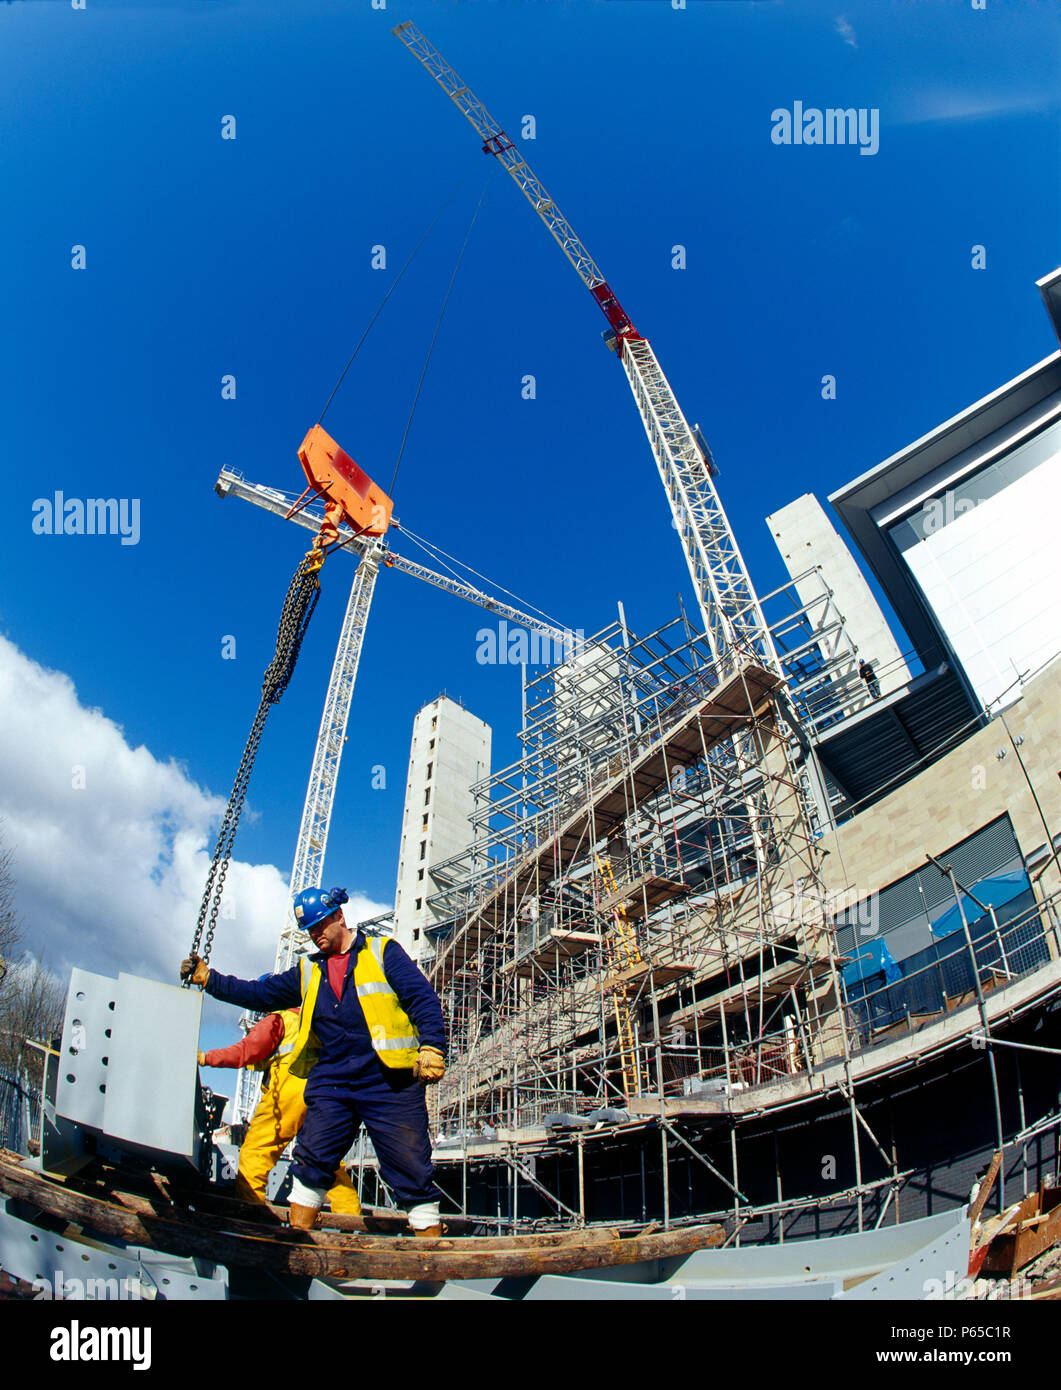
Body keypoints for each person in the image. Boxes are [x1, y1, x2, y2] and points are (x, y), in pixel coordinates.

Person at [181, 886, 447, 1234]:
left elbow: (422, 999)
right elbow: (259, 993)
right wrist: (209, 979)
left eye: (321, 925)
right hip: (334, 1080)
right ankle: (297, 1239)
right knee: (314, 1157)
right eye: (310, 930)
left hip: (389, 1081)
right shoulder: (308, 970)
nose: (316, 934)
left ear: (340, 916)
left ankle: (429, 1244)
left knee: (408, 1162)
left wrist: (433, 1046)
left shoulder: (383, 952)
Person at [198, 1006, 362, 1214]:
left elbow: (246, 1052)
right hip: (326, 1095)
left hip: (289, 1093)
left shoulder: (278, 1020)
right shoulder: (319, 1020)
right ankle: (350, 1219)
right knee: (324, 1161)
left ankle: (251, 1218)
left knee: (255, 1155)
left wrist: (206, 1058)